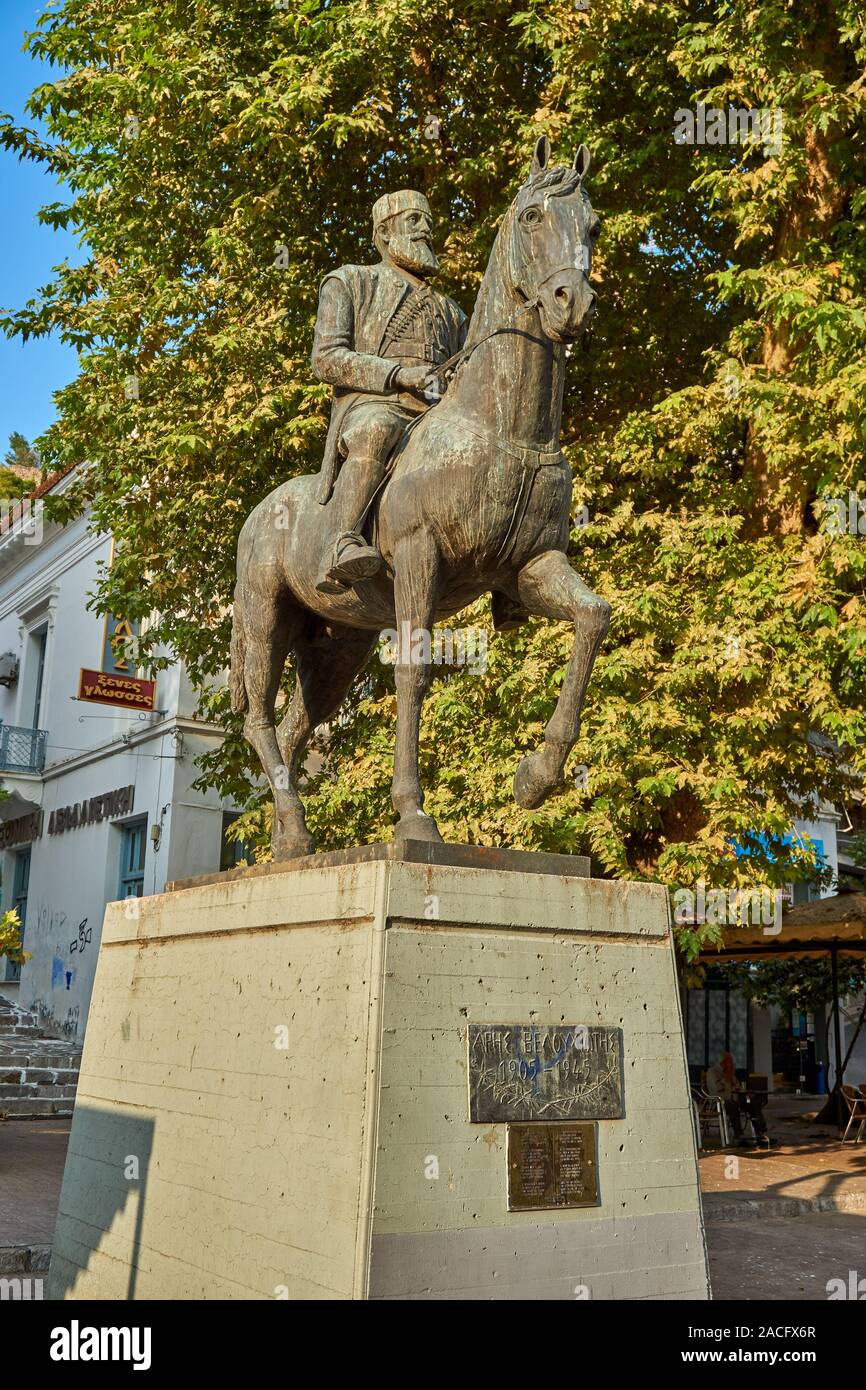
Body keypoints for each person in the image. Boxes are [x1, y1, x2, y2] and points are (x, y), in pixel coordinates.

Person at [310, 189, 467, 594]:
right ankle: (342, 542)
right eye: (415, 220)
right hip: (376, 405)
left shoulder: (453, 311)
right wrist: (398, 374)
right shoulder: (349, 281)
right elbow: (326, 358)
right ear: (384, 230)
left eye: (428, 220)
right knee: (377, 428)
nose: (427, 228)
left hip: (438, 413)